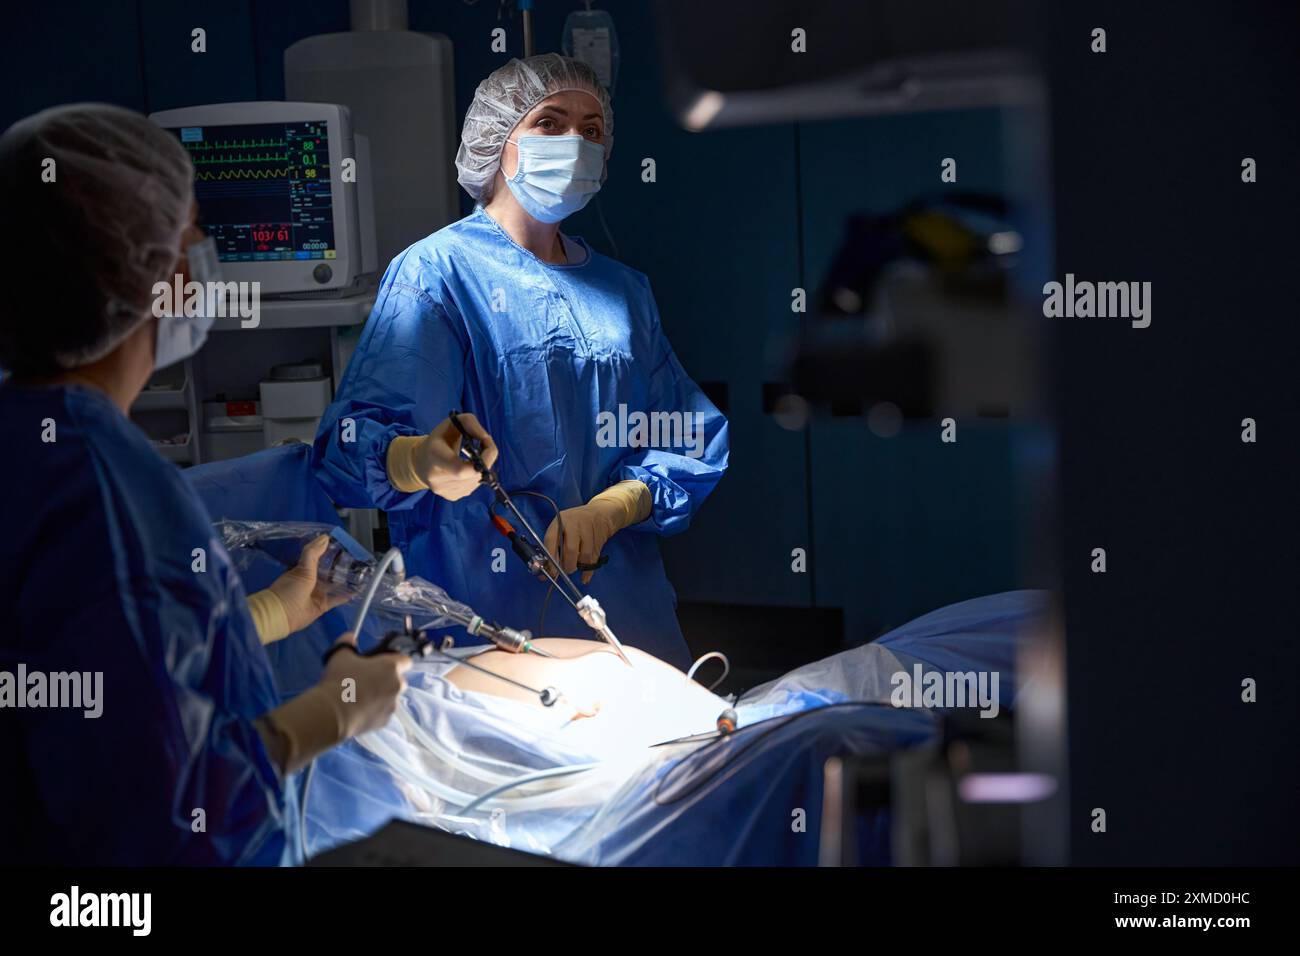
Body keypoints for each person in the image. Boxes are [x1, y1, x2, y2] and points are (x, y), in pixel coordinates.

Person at [0, 104, 412, 865]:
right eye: (189, 233)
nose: (202, 257)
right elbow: (169, 814)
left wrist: (266, 613)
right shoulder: (110, 495)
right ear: (141, 268)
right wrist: (332, 711)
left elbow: (97, 671)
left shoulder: (31, 443)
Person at [314, 54, 729, 668]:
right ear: (497, 142)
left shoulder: (624, 292)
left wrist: (617, 505)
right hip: (480, 615)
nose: (575, 143)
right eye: (550, 123)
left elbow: (687, 434)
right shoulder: (436, 274)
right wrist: (416, 459)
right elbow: (347, 450)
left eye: (591, 131)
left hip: (625, 617)